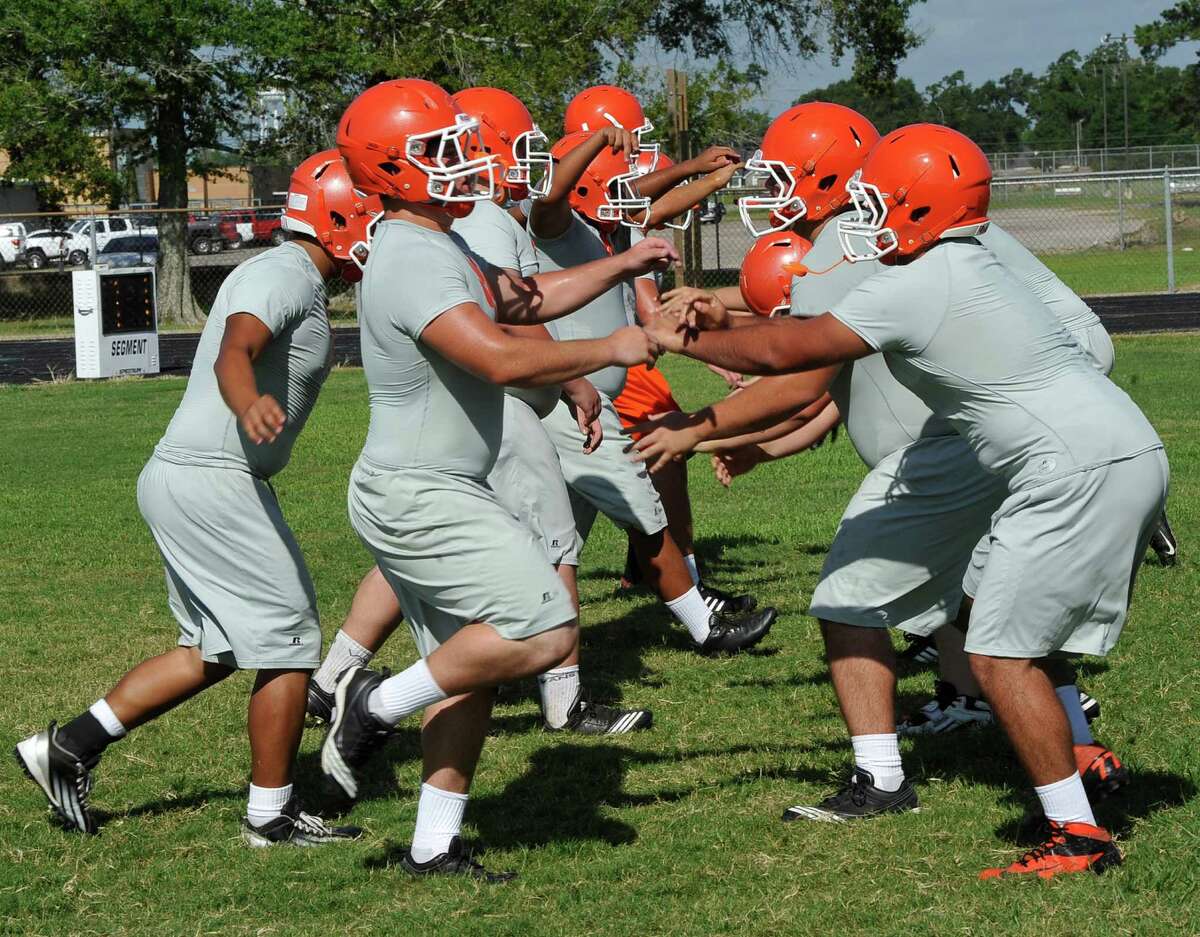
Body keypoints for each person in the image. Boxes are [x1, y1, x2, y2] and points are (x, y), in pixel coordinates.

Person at [640, 123, 1168, 879]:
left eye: (880, 200)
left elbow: (789, 353)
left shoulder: (919, 281)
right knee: (995, 624)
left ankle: (1077, 832)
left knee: (996, 650)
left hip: (1069, 466)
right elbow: (801, 330)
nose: (868, 215)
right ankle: (1076, 769)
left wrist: (679, 342)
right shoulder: (961, 260)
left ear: (918, 208)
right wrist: (732, 325)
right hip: (1107, 449)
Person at [322, 78, 675, 880]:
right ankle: (368, 704)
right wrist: (608, 351)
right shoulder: (412, 255)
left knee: (465, 667)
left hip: (436, 483)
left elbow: (526, 297)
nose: (462, 160)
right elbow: (498, 354)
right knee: (543, 631)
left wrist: (625, 265)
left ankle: (431, 845)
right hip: (419, 491)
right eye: (439, 150)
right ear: (391, 168)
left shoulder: (439, 240)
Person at [15, 151, 380, 846]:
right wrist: (247, 405)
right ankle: (270, 817)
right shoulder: (285, 272)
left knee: (212, 648)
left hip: (195, 473)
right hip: (213, 474)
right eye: (373, 213)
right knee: (290, 639)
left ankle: (68, 747)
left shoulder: (294, 273)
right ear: (341, 215)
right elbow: (235, 349)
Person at [530, 124, 777, 655]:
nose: (632, 194)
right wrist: (597, 141)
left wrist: (702, 174)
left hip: (589, 399)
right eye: (618, 184)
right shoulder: (557, 227)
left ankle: (541, 664)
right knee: (641, 507)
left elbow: (635, 204)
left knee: (556, 541)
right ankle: (704, 625)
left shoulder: (609, 229)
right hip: (571, 399)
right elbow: (553, 196)